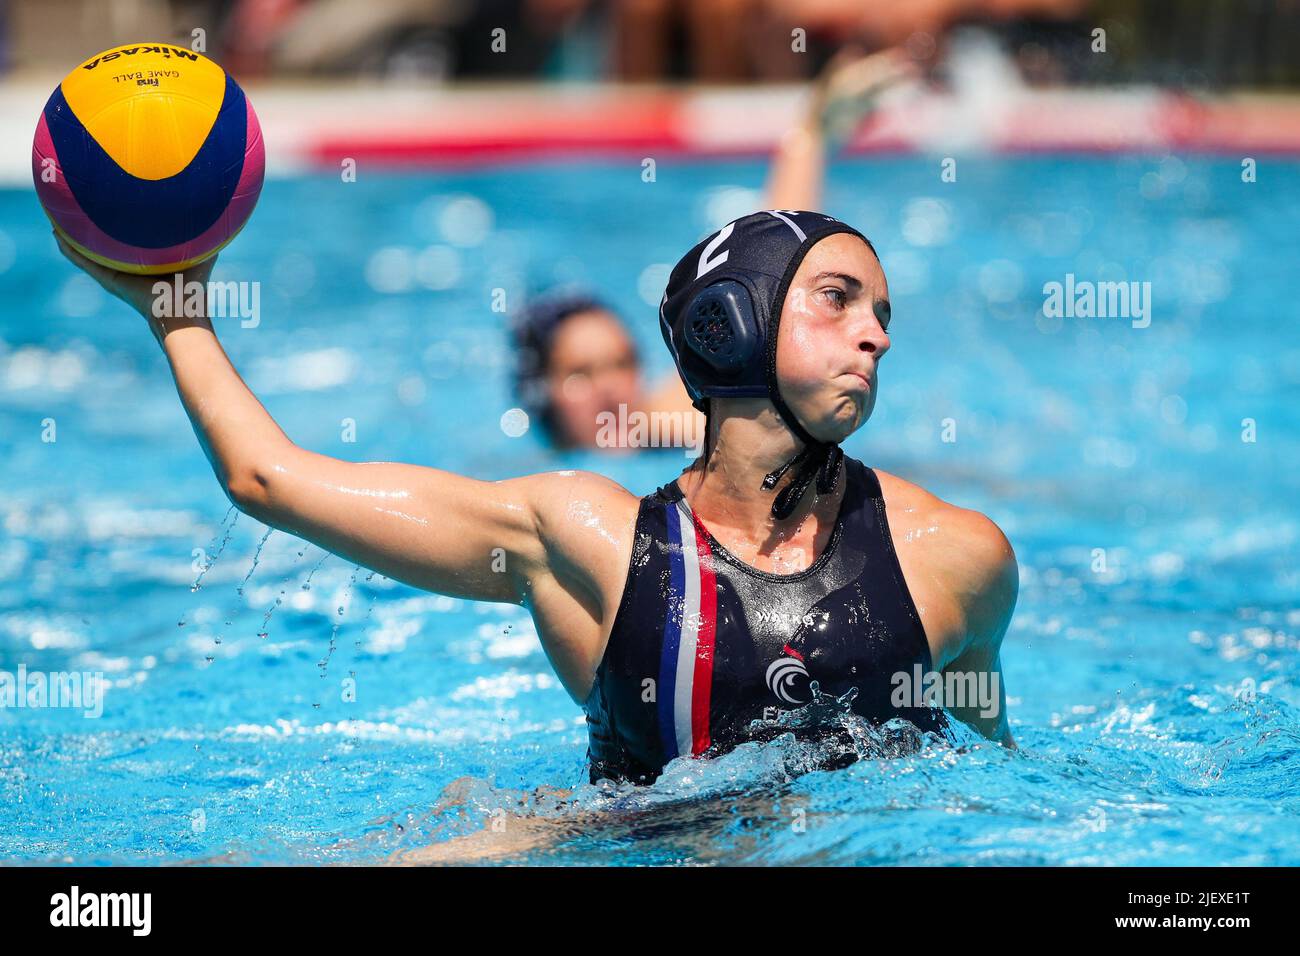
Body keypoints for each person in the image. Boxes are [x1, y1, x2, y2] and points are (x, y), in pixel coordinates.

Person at [55, 203, 1018, 788]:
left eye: (884, 313)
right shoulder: (585, 542)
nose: (877, 336)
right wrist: (172, 303)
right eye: (840, 299)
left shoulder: (957, 556)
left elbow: (997, 795)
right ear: (733, 324)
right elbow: (267, 480)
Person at [512, 47, 915, 449]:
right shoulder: (519, 487)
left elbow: (771, 268)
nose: (610, 389)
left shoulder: (667, 431)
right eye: (580, 374)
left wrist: (811, 134)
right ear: (539, 392)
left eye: (622, 364)